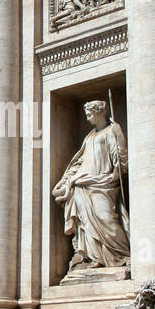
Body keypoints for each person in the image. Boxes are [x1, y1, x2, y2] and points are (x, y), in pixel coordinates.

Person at [53, 100, 130, 271]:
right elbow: (80, 161)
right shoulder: (89, 137)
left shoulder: (113, 130)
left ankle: (121, 254)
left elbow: (121, 155)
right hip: (82, 183)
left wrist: (118, 170)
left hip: (104, 183)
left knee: (107, 218)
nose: (87, 118)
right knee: (86, 223)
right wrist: (66, 180)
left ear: (99, 112)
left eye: (89, 114)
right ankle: (93, 257)